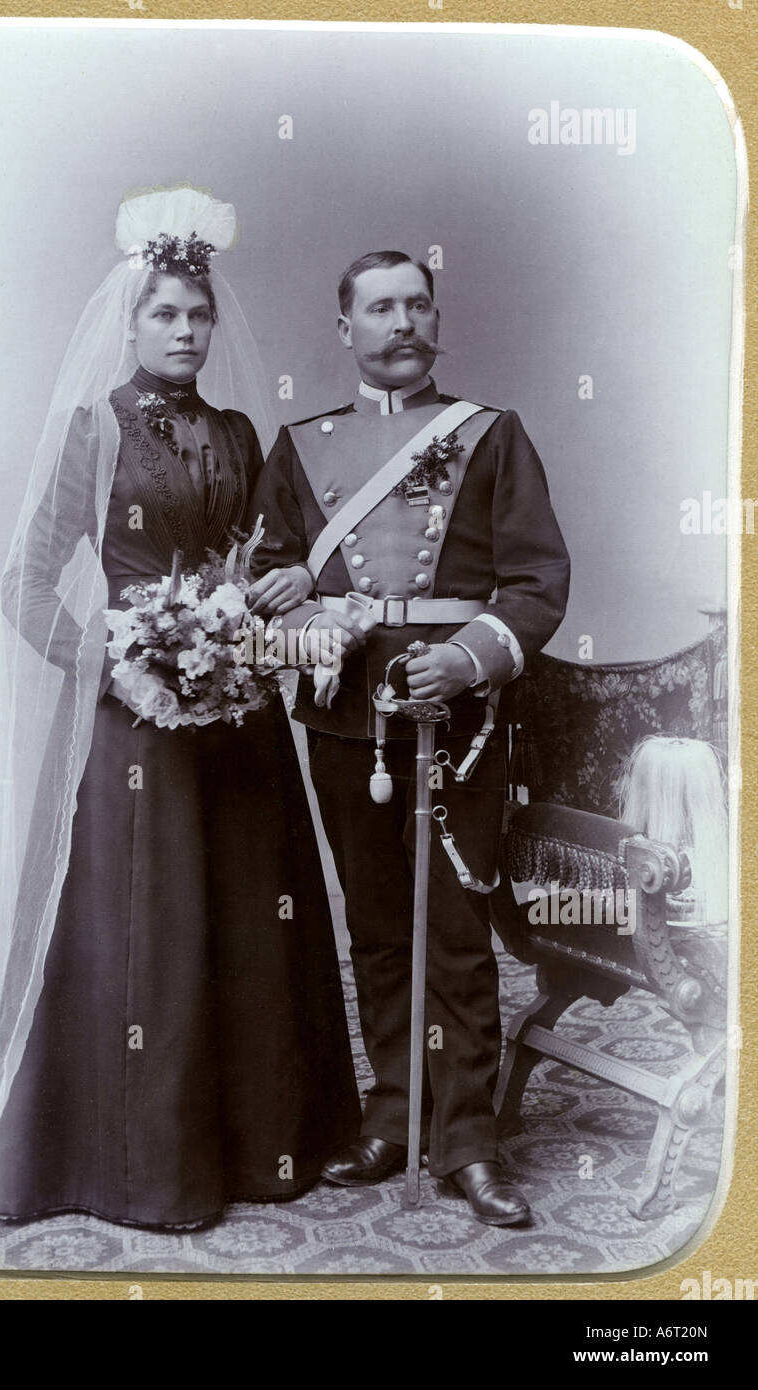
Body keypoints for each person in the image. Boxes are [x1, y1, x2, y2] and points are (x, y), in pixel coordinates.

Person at [0, 188, 360, 1233]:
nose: (186, 332)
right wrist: (113, 665)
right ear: (129, 325)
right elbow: (28, 585)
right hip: (131, 722)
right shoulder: (91, 430)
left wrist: (282, 597)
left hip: (239, 718)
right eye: (165, 315)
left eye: (198, 315)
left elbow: (281, 566)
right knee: (151, 928)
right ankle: (134, 1163)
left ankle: (260, 1145)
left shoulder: (236, 432)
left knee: (250, 922)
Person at [248, 249, 571, 1226]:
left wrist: (468, 658)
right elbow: (264, 566)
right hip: (348, 714)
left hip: (455, 720)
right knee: (377, 927)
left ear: (436, 321)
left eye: (416, 305)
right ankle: (395, 1113)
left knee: (456, 934)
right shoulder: (301, 445)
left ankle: (469, 1139)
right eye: (379, 308)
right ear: (344, 329)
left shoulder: (490, 436)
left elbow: (536, 584)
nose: (401, 322)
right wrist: (292, 590)